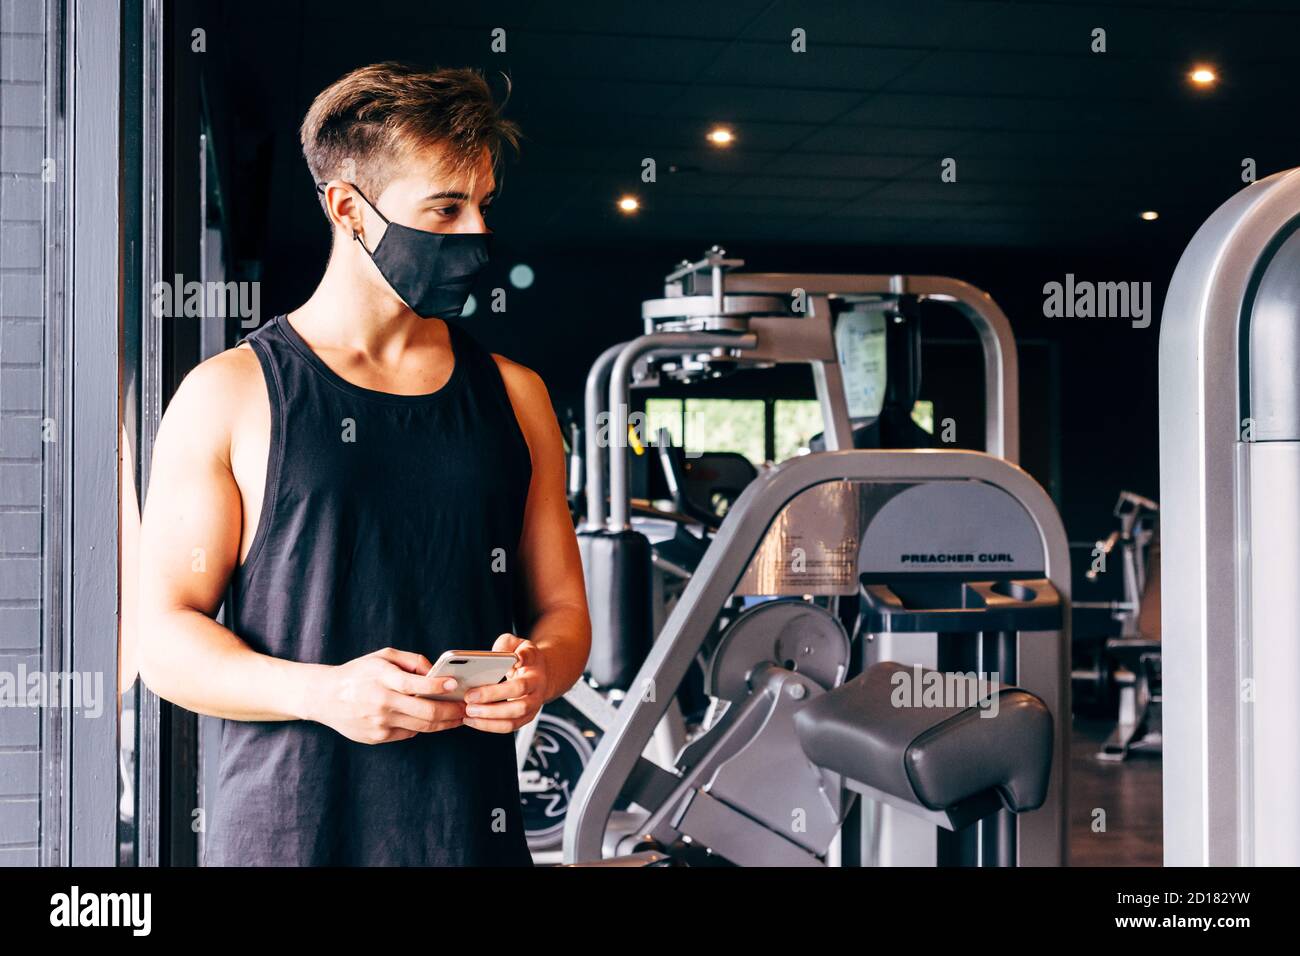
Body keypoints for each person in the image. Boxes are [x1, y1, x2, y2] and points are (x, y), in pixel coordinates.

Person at [137, 62, 590, 866]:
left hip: (466, 842)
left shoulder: (517, 399)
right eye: (445, 208)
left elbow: (562, 612)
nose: (474, 234)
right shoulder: (230, 394)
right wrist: (324, 693)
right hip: (284, 839)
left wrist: (538, 672)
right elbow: (163, 640)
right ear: (349, 209)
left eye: (482, 206)